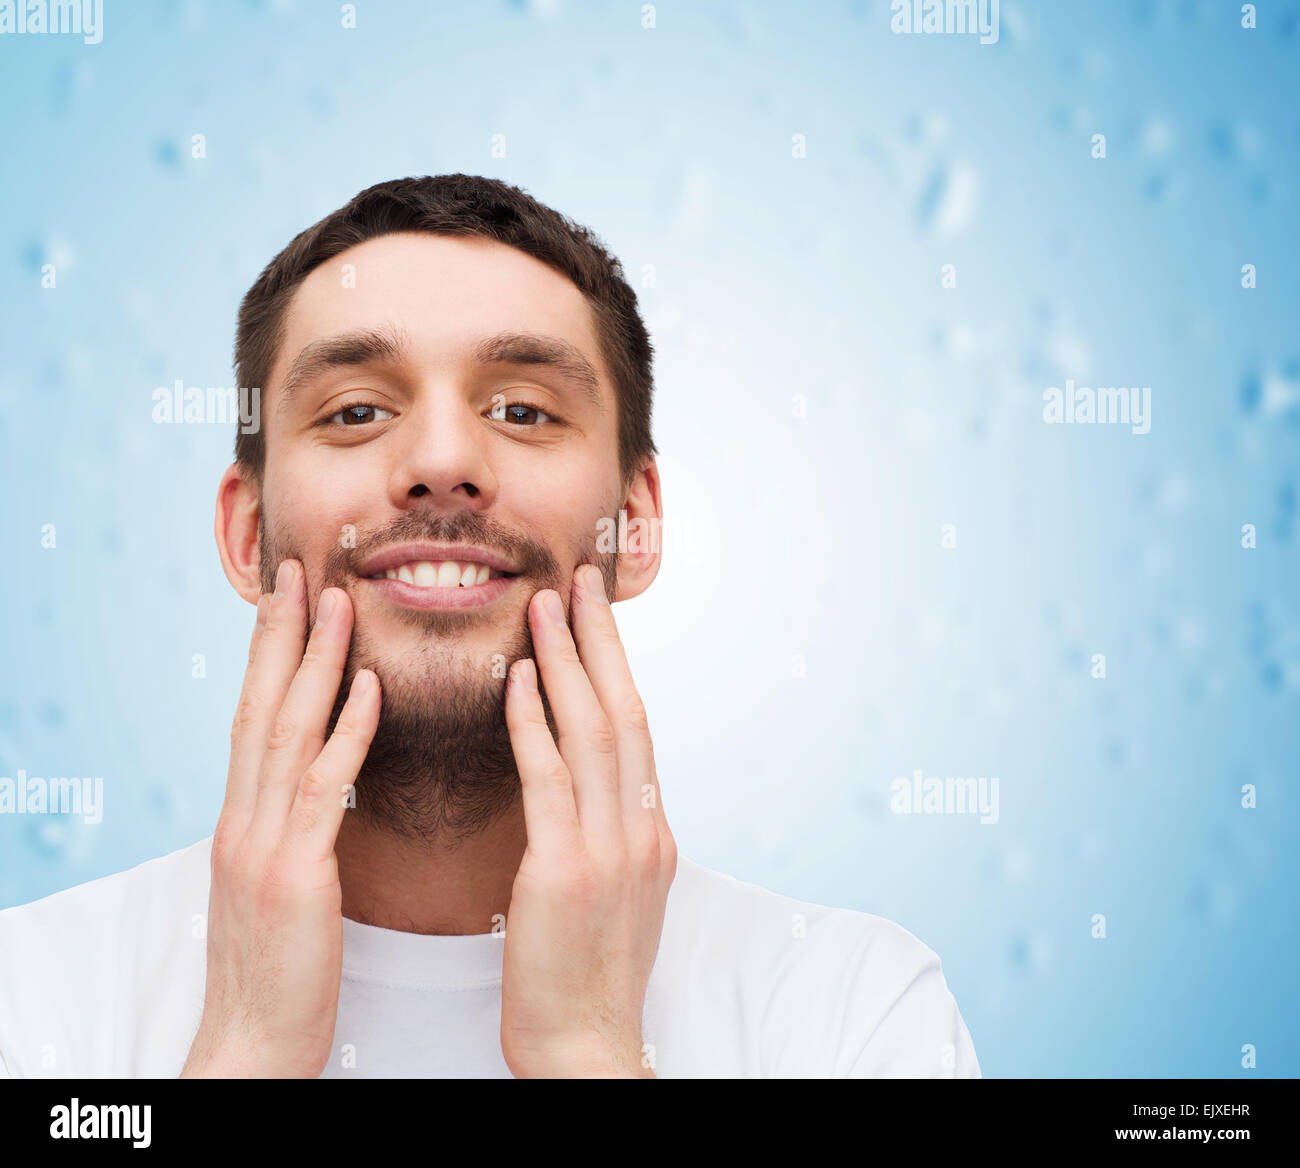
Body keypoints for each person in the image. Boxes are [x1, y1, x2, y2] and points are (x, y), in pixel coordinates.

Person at [0, 175, 979, 1078]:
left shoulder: (848, 1007)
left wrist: (588, 1047)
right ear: (248, 531)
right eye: (353, 411)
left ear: (633, 523)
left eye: (521, 407)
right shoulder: (31, 994)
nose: (440, 458)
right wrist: (245, 1047)